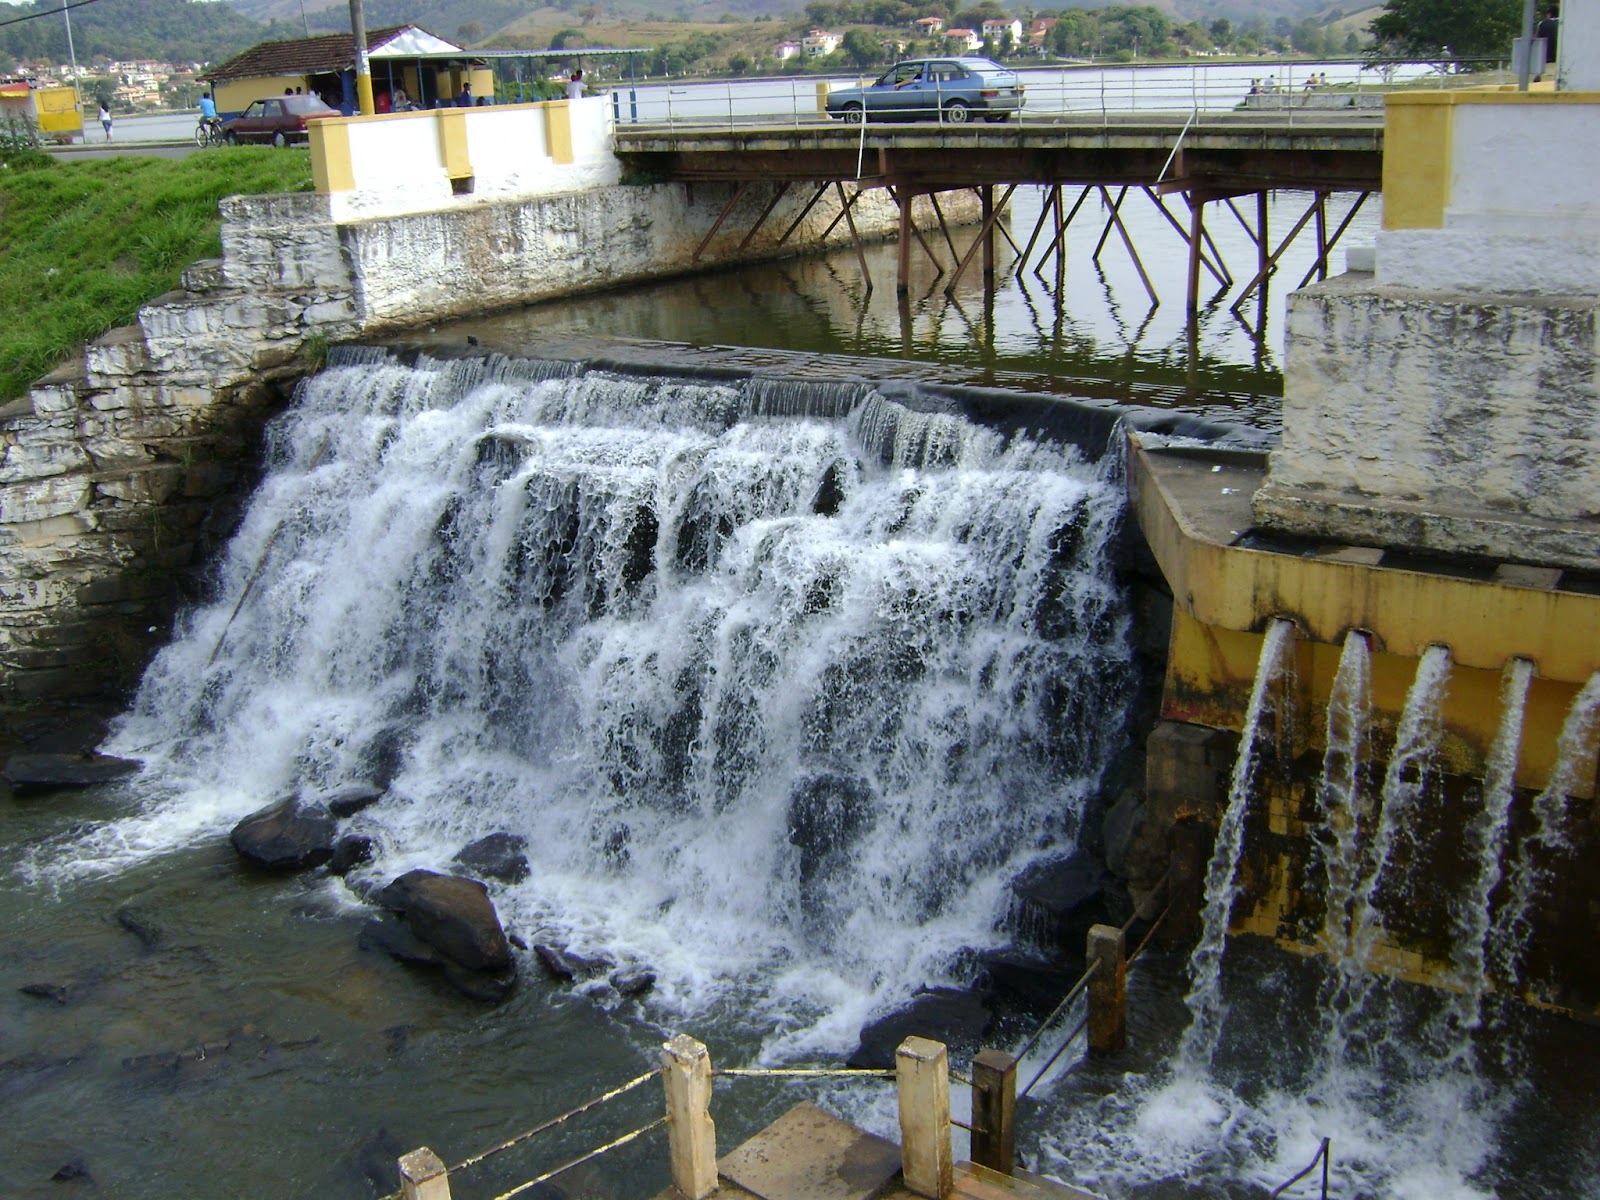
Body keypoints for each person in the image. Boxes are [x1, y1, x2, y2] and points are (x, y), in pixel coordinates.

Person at [1536, 4, 1558, 80]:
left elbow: (1537, 38)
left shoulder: (1542, 23)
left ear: (1549, 14)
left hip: (1544, 56)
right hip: (1558, 55)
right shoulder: (1562, 23)